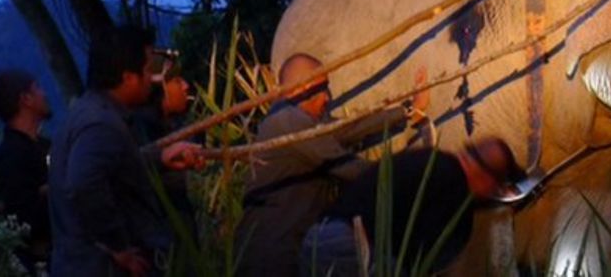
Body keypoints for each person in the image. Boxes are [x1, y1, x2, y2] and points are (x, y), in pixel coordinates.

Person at [234, 53, 429, 277]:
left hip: (286, 246)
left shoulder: (294, 118)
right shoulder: (288, 123)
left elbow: (345, 128)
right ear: (300, 88)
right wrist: (413, 175)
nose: (327, 97)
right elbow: (349, 168)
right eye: (322, 88)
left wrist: (407, 112)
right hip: (272, 253)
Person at [49, 26, 205, 277]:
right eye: (147, 71)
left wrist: (159, 158)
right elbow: (84, 182)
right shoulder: (100, 123)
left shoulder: (88, 113)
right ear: (127, 77)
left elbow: (112, 168)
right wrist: (118, 245)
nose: (152, 80)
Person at [299, 137, 525, 276]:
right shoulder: (452, 183)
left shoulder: (430, 162)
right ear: (485, 177)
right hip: (351, 248)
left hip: (319, 240)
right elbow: (431, 252)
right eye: (494, 187)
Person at [0, 69, 53, 272]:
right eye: (37, 88)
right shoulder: (12, 156)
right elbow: (25, 219)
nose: (44, 94)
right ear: (25, 99)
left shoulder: (44, 146)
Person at [128, 51, 197, 244]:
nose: (185, 86)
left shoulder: (176, 126)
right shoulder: (138, 132)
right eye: (176, 81)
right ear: (160, 88)